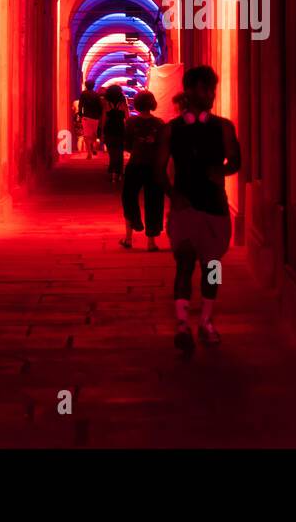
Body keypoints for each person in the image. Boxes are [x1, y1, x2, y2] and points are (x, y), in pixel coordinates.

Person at [155, 65, 240, 353]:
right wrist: (172, 194)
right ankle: (182, 323)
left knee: (211, 268)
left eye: (212, 89)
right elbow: (158, 170)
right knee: (184, 263)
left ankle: (205, 320)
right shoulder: (172, 131)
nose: (210, 95)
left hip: (215, 209)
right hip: (186, 208)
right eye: (206, 89)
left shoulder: (224, 128)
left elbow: (236, 162)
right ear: (190, 92)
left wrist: (222, 170)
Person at [119, 90, 165, 251]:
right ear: (152, 103)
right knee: (154, 202)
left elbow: (126, 145)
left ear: (137, 104)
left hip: (135, 164)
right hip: (153, 167)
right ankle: (151, 242)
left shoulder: (131, 123)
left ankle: (129, 237)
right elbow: (163, 147)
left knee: (129, 198)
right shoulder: (160, 124)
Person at [102, 84, 128, 185]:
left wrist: (102, 133)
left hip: (109, 130)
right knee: (119, 152)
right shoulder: (123, 103)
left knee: (112, 153)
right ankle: (120, 173)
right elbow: (127, 117)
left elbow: (104, 119)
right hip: (120, 129)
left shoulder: (106, 103)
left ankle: (113, 174)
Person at [77, 79, 103, 157]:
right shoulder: (96, 95)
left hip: (86, 116)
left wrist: (80, 114)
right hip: (95, 117)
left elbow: (80, 105)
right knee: (94, 134)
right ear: (94, 85)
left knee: (86, 134)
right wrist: (99, 115)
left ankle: (89, 152)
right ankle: (94, 146)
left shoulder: (83, 94)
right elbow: (100, 106)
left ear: (85, 85)